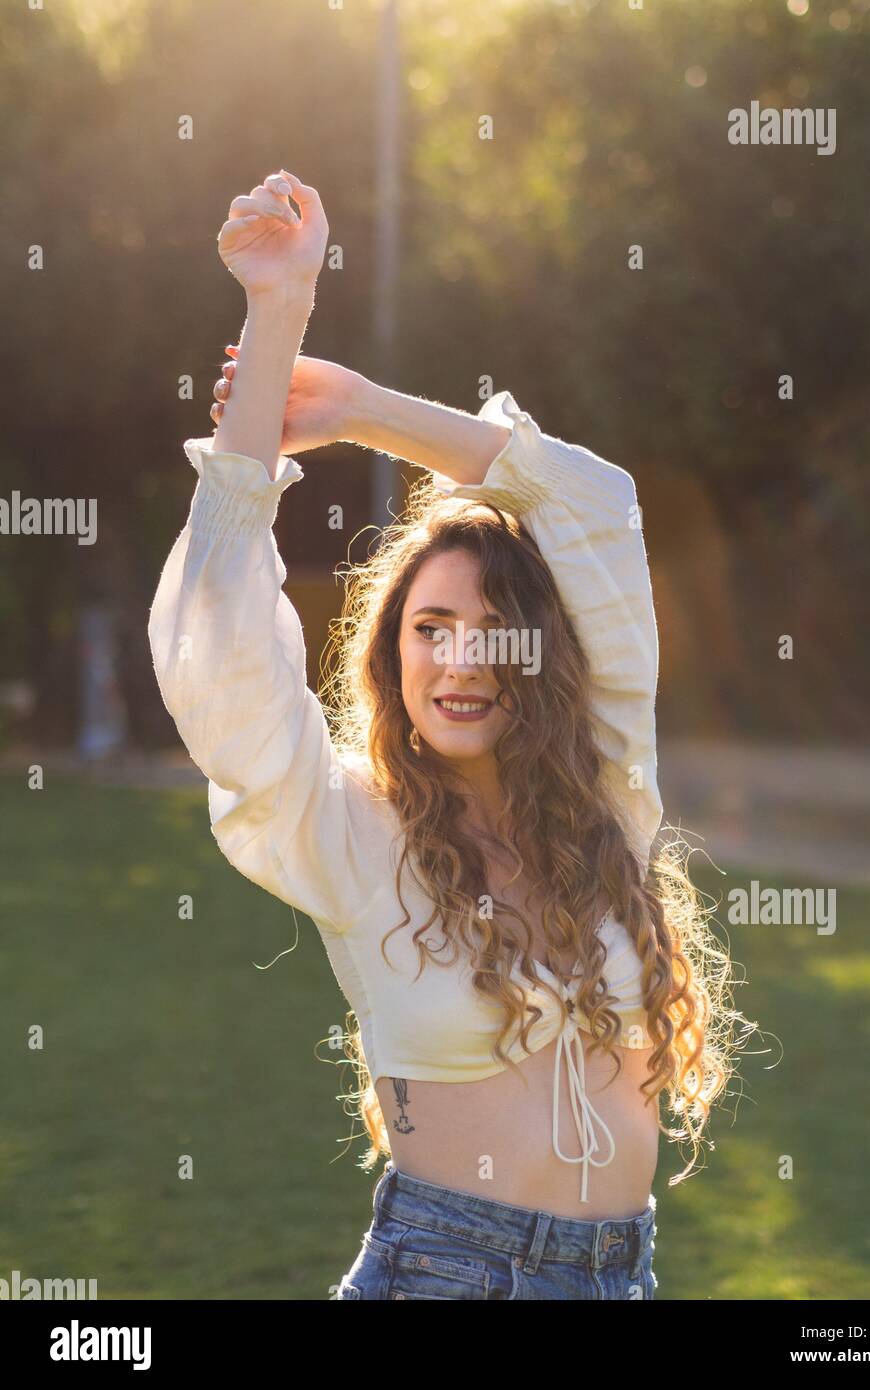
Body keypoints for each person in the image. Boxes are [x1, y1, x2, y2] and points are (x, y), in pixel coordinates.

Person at [148, 169, 751, 1300]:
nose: (459, 658)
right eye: (430, 627)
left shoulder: (608, 794)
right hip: (441, 1273)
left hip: (621, 1278)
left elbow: (595, 507)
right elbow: (222, 632)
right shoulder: (348, 827)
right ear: (393, 656)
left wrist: (365, 408)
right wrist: (280, 312)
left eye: (492, 630)